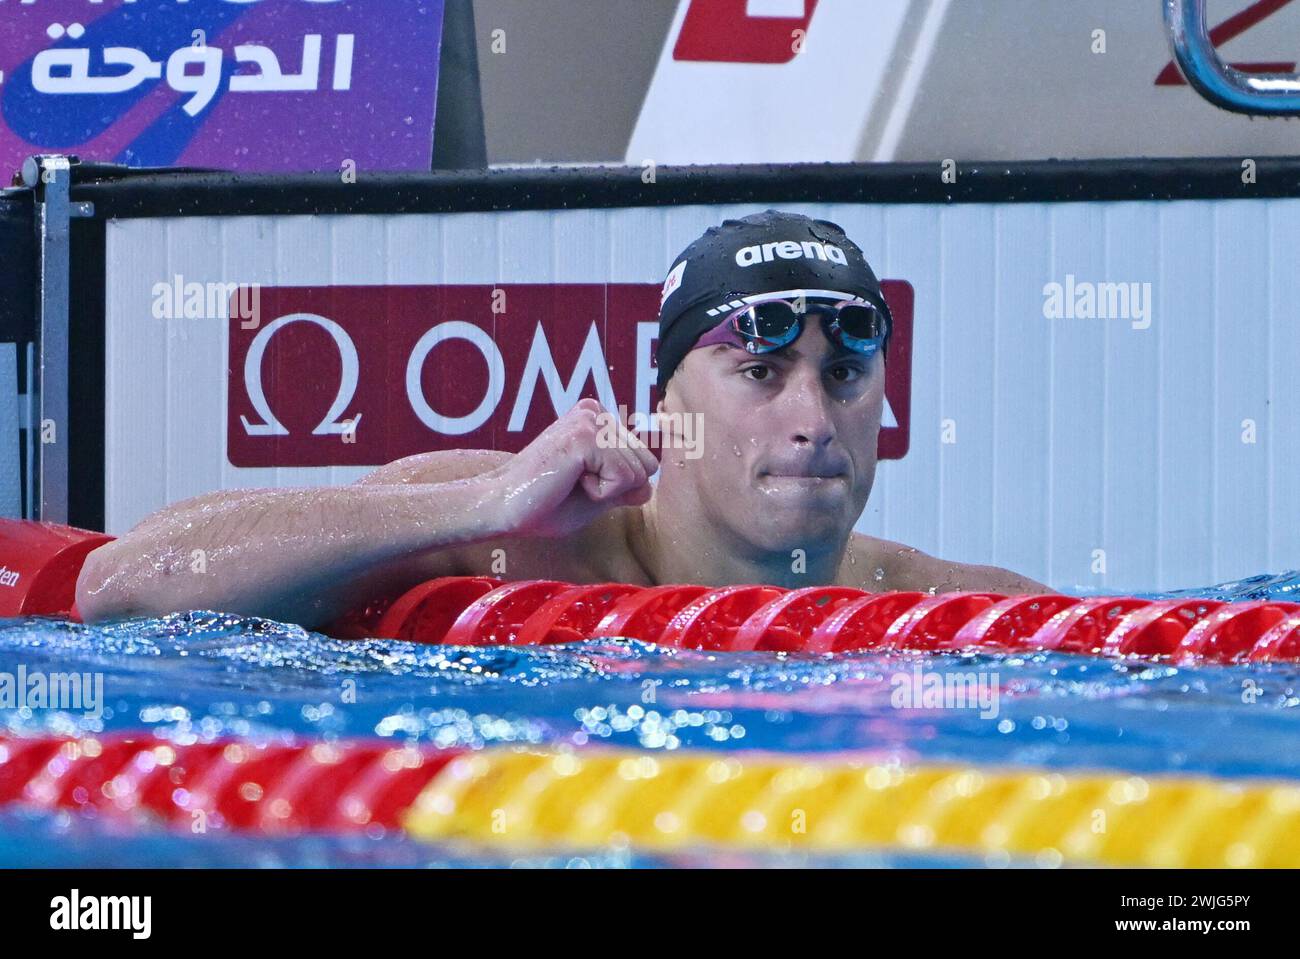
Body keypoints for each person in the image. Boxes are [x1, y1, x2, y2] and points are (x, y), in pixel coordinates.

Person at [76, 210, 1050, 628]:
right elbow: (120, 587)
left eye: (843, 373)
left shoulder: (936, 606)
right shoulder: (509, 538)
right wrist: (484, 502)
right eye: (760, 370)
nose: (812, 418)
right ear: (663, 407)